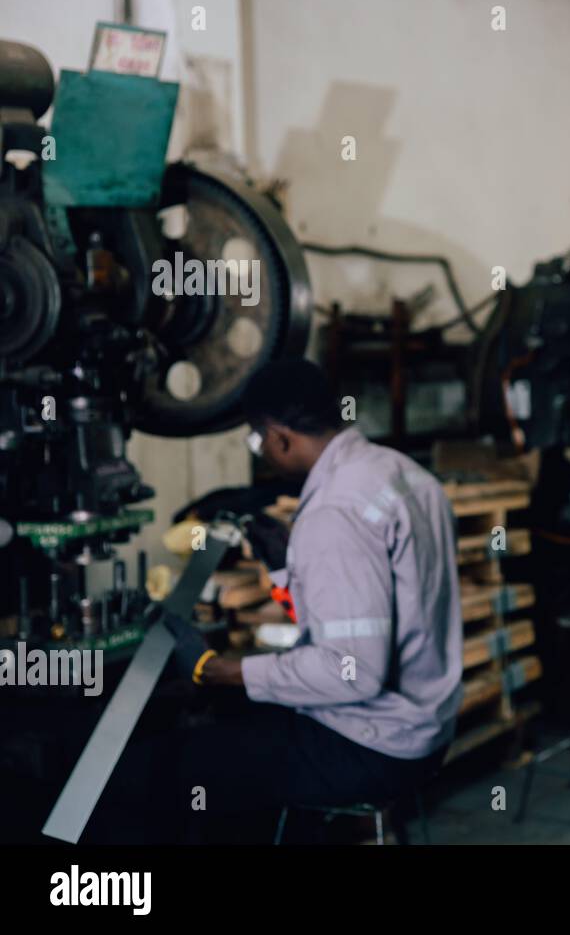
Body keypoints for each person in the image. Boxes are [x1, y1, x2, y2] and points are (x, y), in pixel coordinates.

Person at [88, 359, 463, 842]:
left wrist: (219, 669)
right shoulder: (404, 474)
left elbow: (353, 670)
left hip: (373, 746)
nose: (261, 452)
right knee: (235, 725)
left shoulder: (334, 513)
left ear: (280, 436)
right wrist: (288, 567)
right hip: (425, 727)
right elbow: (375, 609)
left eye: (257, 440)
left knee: (171, 766)